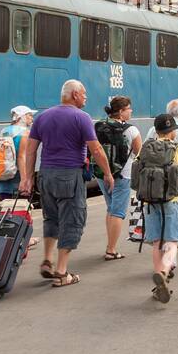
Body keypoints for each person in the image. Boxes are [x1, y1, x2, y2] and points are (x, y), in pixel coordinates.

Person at [20, 79, 115, 288]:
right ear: (74, 95)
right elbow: (96, 149)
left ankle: (47, 259)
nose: (86, 98)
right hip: (70, 175)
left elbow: (31, 150)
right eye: (84, 94)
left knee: (51, 218)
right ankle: (62, 272)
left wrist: (27, 178)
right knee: (72, 220)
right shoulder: (81, 117)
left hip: (45, 175)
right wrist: (107, 173)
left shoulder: (42, 117)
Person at [140, 113, 178, 304]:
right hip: (171, 202)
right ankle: (164, 272)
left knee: (156, 242)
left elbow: (137, 173)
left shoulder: (146, 148)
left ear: (156, 131)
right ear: (172, 132)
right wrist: (173, 183)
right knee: (171, 241)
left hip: (149, 202)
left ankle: (158, 278)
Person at [95, 97, 141, 262]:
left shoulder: (100, 126)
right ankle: (111, 250)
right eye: (129, 108)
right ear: (121, 111)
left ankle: (110, 245)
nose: (131, 111)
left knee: (111, 209)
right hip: (122, 175)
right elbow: (139, 153)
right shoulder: (131, 130)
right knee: (118, 212)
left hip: (102, 174)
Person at [0, 105, 33, 205]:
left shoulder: (4, 131)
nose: (32, 118)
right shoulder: (25, 133)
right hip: (17, 175)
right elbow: (21, 157)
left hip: (4, 174)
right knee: (18, 211)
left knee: (4, 208)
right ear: (22, 117)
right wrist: (24, 179)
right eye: (29, 115)